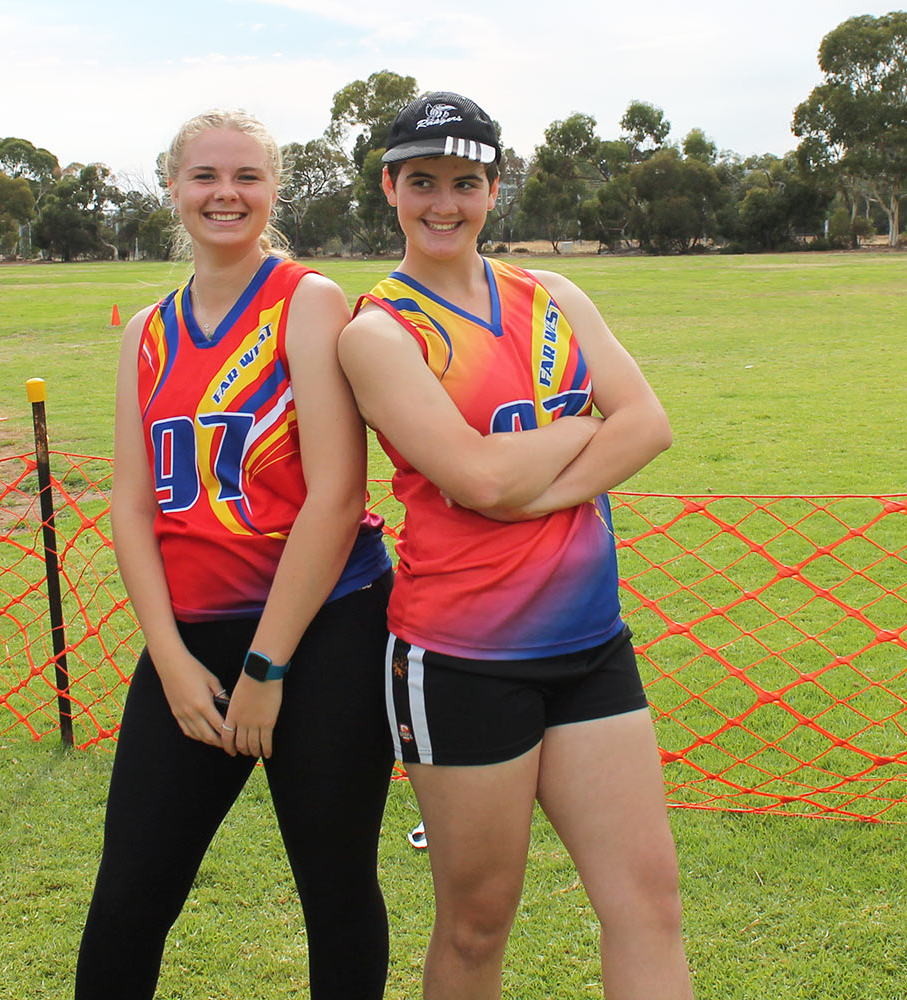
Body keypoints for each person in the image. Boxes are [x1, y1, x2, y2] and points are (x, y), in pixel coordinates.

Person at [337, 92, 693, 999]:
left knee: (649, 904)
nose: (444, 203)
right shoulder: (379, 333)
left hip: (591, 647)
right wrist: (575, 431)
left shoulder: (555, 295)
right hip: (461, 659)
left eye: (466, 182)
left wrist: (518, 484)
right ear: (390, 187)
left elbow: (646, 424)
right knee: (475, 926)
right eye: (423, 182)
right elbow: (477, 481)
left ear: (495, 190)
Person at [75, 110, 395, 999]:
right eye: (206, 176)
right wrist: (171, 661)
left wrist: (267, 665)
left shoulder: (308, 300)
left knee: (333, 890)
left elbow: (337, 495)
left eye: (247, 177)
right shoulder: (146, 329)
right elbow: (132, 506)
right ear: (172, 188)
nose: (227, 194)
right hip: (192, 640)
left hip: (322, 629)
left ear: (273, 190)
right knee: (130, 898)